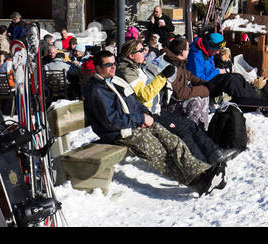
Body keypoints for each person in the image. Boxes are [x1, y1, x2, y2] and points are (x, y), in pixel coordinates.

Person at [82, 51, 226, 194]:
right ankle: (198, 181)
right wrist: (140, 119)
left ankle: (203, 173)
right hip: (119, 132)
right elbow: (111, 120)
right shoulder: (96, 90)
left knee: (173, 142)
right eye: (108, 65)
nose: (113, 67)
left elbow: (135, 102)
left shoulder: (114, 81)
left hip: (135, 123)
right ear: (98, 67)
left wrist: (146, 114)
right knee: (159, 153)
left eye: (114, 63)